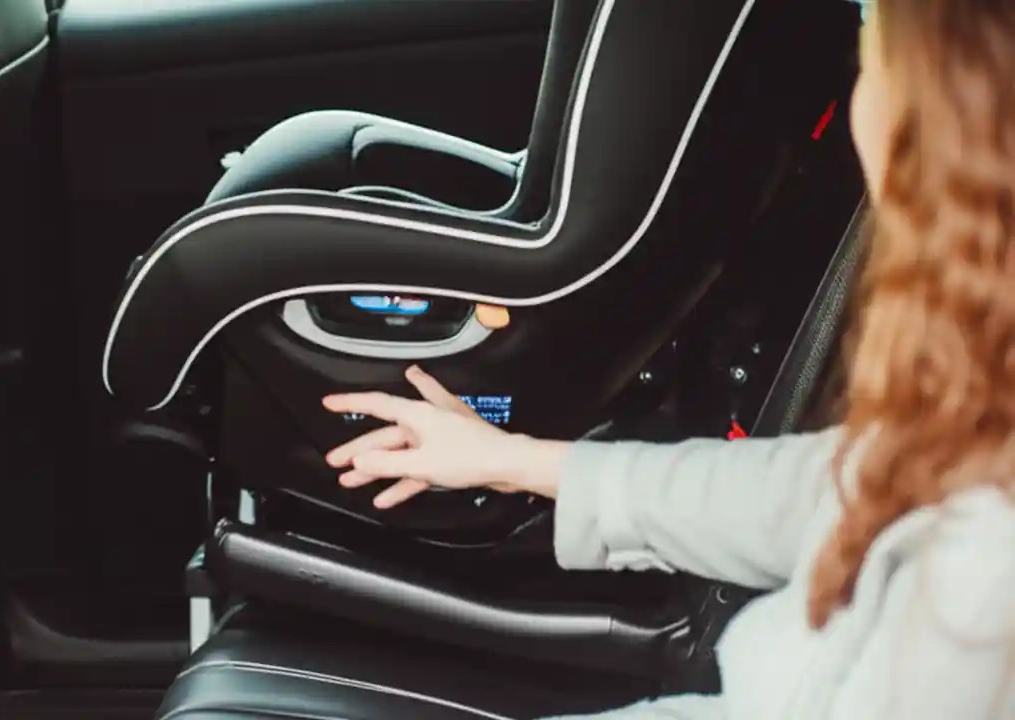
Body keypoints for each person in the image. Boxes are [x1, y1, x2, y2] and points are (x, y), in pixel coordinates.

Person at [321, 1, 1015, 718]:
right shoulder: (980, 413)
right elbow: (821, 489)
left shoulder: (987, 569)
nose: (857, 100)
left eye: (875, 59)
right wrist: (512, 459)